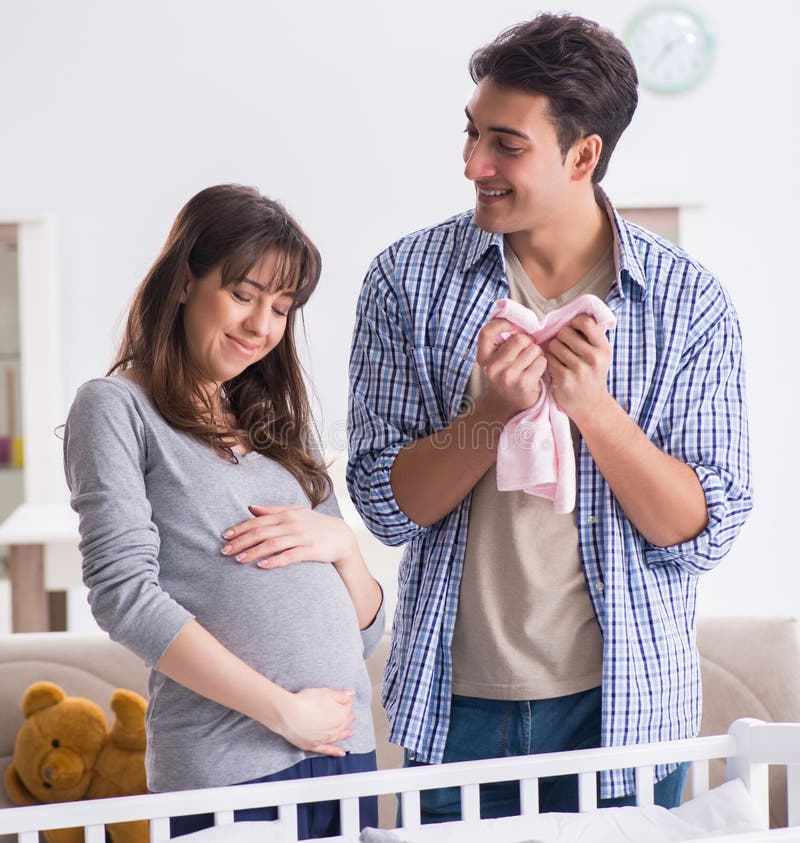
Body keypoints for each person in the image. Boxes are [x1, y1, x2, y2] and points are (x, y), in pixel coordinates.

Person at [347, 12, 751, 821]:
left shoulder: (690, 305)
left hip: (626, 713)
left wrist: (595, 413)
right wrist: (491, 414)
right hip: (451, 706)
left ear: (583, 154)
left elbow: (704, 530)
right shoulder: (404, 283)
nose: (473, 165)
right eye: (470, 136)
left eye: (505, 144)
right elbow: (387, 506)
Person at [63, 184, 384, 839]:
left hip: (346, 757)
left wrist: (345, 547)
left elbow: (363, 636)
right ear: (185, 280)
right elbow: (124, 596)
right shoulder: (116, 407)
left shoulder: (280, 427)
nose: (261, 325)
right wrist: (282, 712)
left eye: (281, 307)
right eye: (242, 294)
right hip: (229, 767)